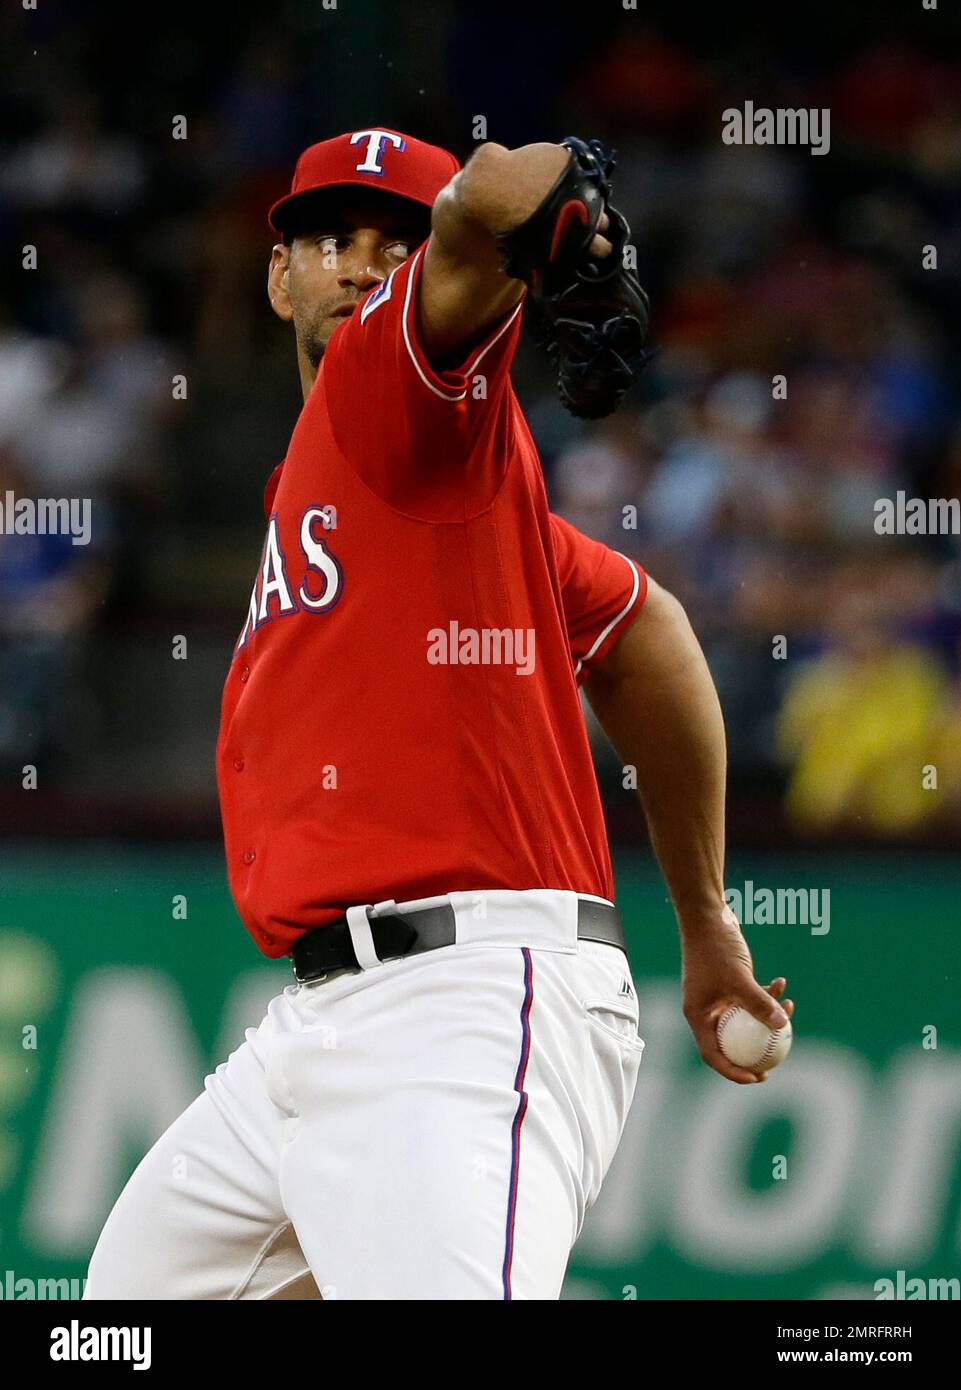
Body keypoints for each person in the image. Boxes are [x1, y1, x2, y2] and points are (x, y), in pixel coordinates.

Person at [85, 127, 793, 1301]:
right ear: (277, 277)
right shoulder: (421, 499)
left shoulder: (396, 385)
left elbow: (494, 201)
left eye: (393, 243)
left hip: (461, 1005)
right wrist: (706, 918)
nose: (361, 265)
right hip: (319, 1022)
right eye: (328, 240)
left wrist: (549, 184)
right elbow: (648, 635)